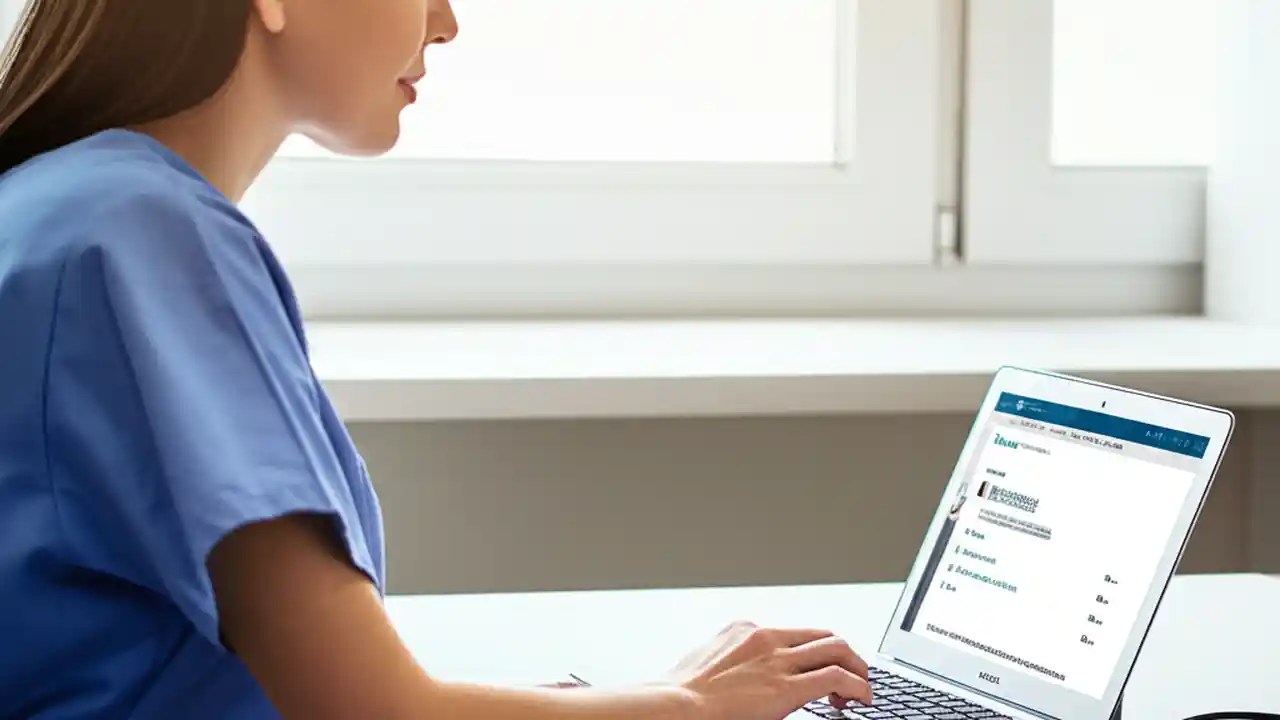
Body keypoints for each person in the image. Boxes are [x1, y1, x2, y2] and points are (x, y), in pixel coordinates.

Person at [0, 1, 872, 718]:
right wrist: (689, 706)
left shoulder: (56, 204)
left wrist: (640, 698)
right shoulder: (147, 236)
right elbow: (375, 711)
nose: (446, 22)